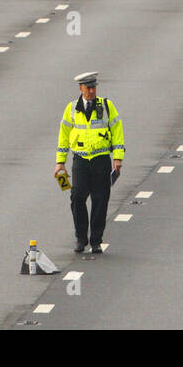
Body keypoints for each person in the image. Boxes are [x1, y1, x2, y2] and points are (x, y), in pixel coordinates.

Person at [55, 72, 125, 255]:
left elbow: (117, 130)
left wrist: (118, 158)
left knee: (100, 200)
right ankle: (80, 238)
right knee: (77, 196)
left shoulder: (107, 106)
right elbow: (64, 135)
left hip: (101, 160)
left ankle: (95, 241)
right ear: (81, 89)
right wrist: (60, 162)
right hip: (80, 160)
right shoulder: (71, 109)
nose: (91, 91)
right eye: (88, 88)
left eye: (94, 87)